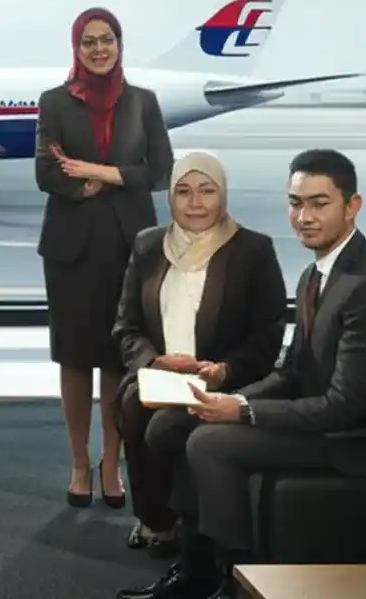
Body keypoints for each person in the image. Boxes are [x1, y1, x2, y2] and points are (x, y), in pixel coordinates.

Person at [118, 149, 366, 599]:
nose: (305, 217)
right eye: (296, 203)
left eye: (320, 203)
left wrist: (241, 409)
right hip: (325, 418)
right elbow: (294, 369)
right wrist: (218, 403)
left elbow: (347, 406)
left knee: (209, 442)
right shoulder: (316, 274)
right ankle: (195, 568)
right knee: (178, 422)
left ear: (352, 206)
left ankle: (232, 578)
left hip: (360, 440)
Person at [112, 151, 286, 558]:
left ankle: (195, 526)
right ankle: (156, 521)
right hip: (159, 374)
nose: (196, 203)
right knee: (134, 405)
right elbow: (125, 326)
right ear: (170, 198)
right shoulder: (148, 244)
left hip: (224, 379)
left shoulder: (252, 250)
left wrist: (224, 370)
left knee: (171, 426)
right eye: (184, 192)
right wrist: (155, 362)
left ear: (223, 196)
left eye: (207, 191)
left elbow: (268, 333)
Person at [35, 7, 174, 509]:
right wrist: (103, 177)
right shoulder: (54, 102)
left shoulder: (143, 102)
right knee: (74, 358)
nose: (98, 49)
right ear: (76, 48)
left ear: (119, 44)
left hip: (130, 248)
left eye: (107, 40)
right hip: (71, 250)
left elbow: (161, 169)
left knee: (120, 356)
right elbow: (48, 175)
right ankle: (79, 461)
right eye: (88, 41)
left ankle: (112, 461)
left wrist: (102, 173)